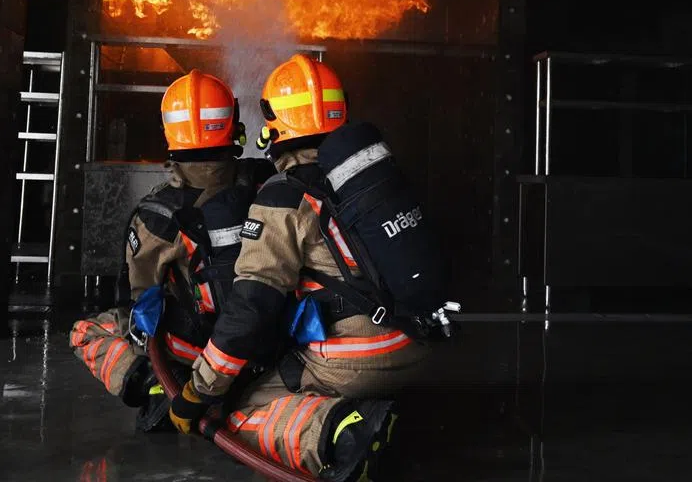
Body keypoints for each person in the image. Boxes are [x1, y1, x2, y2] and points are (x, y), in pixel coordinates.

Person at [168, 54, 430, 481]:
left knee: (237, 413)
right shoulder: (374, 174)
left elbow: (250, 309)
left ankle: (340, 432)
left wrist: (198, 390)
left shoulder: (282, 197)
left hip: (354, 362)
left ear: (273, 129)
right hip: (418, 341)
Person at [70, 69, 274, 431]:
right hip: (269, 347)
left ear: (169, 134)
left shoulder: (156, 216)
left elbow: (141, 296)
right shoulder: (266, 182)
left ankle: (155, 389)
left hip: (198, 355)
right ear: (233, 123)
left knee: (88, 331)